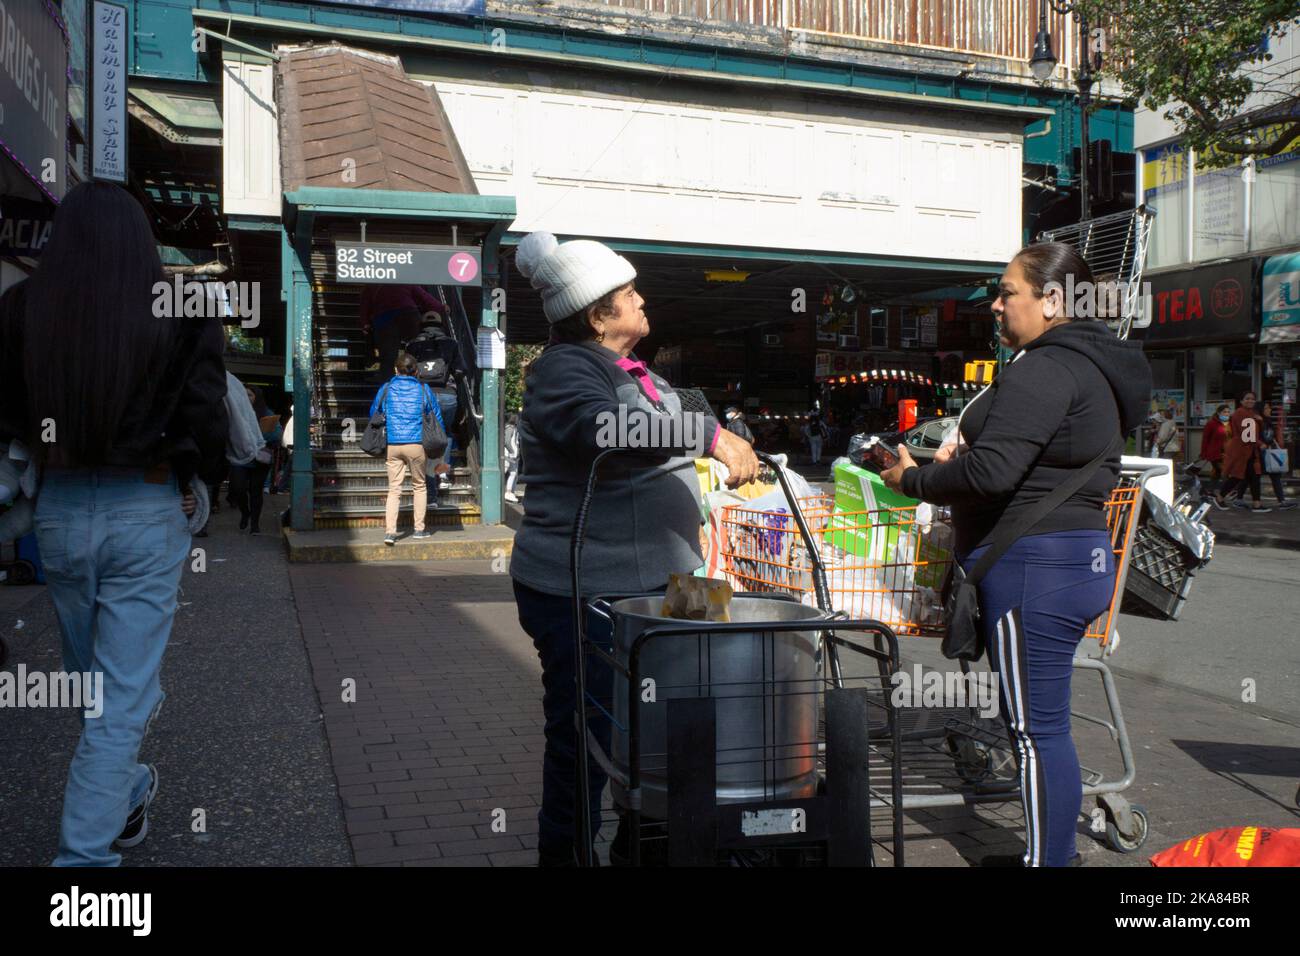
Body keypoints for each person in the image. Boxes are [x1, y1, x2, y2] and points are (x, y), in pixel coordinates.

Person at [881, 241, 1151, 867]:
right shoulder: (1090, 364)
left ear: (1052, 300)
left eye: (1008, 293)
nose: (997, 305)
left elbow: (997, 471)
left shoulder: (1046, 365)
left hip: (1037, 569)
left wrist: (912, 480)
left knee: (1035, 733)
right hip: (1070, 559)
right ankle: (1054, 855)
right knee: (1042, 726)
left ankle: (1049, 862)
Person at [507, 230, 759, 866]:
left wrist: (723, 435)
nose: (643, 299)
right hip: (590, 586)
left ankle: (644, 850)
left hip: (674, 582)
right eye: (628, 293)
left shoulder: (630, 369)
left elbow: (673, 426)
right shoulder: (566, 369)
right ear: (597, 315)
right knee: (587, 740)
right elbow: (602, 429)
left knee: (686, 723)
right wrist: (707, 435)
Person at [0, 181, 228, 866]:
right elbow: (206, 419)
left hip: (61, 513)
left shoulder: (20, 310)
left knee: (87, 683)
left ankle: (125, 787)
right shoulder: (185, 307)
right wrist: (199, 482)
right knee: (117, 701)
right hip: (146, 507)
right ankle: (83, 866)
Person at [370, 351, 445, 545]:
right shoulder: (423, 389)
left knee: (394, 490)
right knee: (419, 486)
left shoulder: (387, 388)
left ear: (396, 369)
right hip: (416, 444)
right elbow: (435, 414)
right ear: (415, 371)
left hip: (393, 444)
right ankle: (419, 529)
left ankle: (390, 533)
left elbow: (374, 412)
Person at [360, 284, 446, 380]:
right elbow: (424, 297)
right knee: (417, 349)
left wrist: (365, 323)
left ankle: (389, 387)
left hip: (383, 319)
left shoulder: (372, 283)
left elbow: (365, 303)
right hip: (408, 315)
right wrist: (441, 307)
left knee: (388, 358)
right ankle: (419, 380)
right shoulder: (402, 279)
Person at [227, 385, 279, 534]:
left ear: (257, 397)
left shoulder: (267, 414)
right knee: (238, 488)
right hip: (239, 457)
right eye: (244, 394)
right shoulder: (236, 413)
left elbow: (276, 435)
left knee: (256, 492)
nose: (246, 397)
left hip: (260, 459)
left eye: (250, 395)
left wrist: (258, 435)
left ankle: (255, 524)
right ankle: (245, 512)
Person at [1214, 391, 1269, 513]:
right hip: (1242, 450)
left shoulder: (1249, 413)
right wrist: (1260, 444)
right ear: (1241, 401)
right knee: (1238, 476)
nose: (1250, 401)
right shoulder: (1241, 413)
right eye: (1247, 399)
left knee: (1252, 476)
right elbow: (1247, 435)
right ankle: (1220, 497)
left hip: (1247, 450)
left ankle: (1256, 504)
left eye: (1252, 399)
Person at [1236, 401, 1294, 509]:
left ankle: (1282, 501)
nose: (1269, 410)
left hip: (1268, 453)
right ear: (1261, 410)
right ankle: (1239, 498)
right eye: (1267, 408)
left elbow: (1271, 437)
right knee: (1250, 477)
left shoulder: (1268, 421)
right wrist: (1260, 443)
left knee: (1275, 475)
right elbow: (1251, 436)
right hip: (1257, 454)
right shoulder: (1255, 421)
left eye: (1269, 408)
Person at [1196, 404, 1230, 498]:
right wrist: (1203, 453)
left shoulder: (1229, 423)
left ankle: (1210, 491)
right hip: (1215, 453)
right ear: (1218, 413)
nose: (1227, 414)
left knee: (1217, 472)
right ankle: (1226, 492)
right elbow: (1205, 439)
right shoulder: (1211, 423)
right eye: (1224, 412)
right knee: (1225, 472)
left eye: (1228, 412)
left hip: (1226, 452)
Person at [503, 412, 521, 503]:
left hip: (511, 455)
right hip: (509, 455)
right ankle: (507, 492)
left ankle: (509, 492)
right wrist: (512, 451)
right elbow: (506, 441)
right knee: (506, 471)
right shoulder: (510, 428)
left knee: (513, 473)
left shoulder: (512, 428)